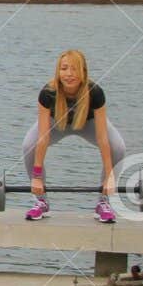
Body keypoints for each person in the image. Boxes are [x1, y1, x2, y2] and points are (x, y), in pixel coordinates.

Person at [22, 49, 126, 223]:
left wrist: (109, 177)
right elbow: (43, 137)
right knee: (28, 146)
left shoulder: (95, 93)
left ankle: (104, 201)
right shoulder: (48, 93)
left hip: (88, 123)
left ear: (83, 72)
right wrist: (37, 177)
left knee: (118, 147)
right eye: (64, 68)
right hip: (57, 123)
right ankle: (41, 200)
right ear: (58, 71)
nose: (69, 74)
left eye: (74, 69)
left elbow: (102, 138)